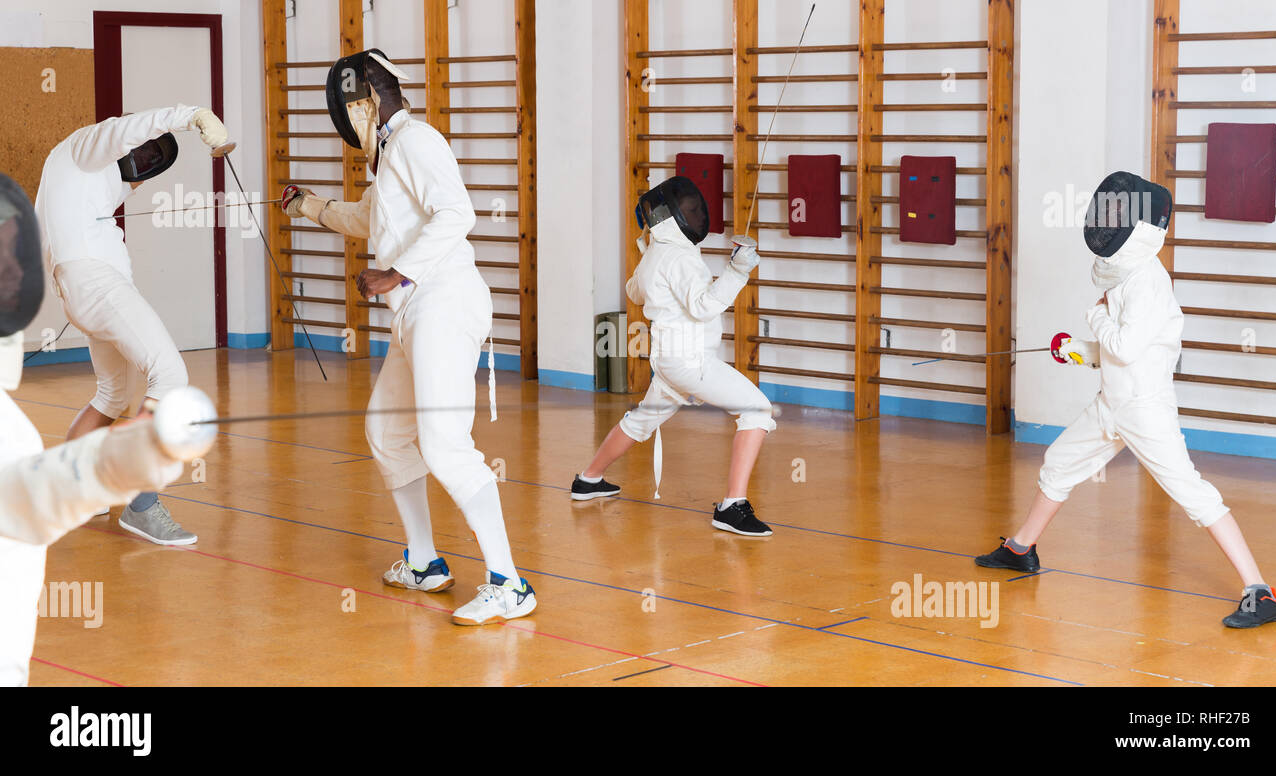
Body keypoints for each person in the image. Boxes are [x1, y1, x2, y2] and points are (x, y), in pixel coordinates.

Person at [281, 50, 534, 625]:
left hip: (443, 302)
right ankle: (424, 562)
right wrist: (309, 206)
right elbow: (369, 221)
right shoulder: (389, 156)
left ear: (368, 96)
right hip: (414, 313)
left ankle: (509, 583)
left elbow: (458, 213)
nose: (346, 118)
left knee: (444, 443)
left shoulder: (418, 141)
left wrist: (396, 272)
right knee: (388, 433)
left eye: (348, 106)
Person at [975, 171, 1276, 628]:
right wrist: (1078, 350)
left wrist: (1093, 317)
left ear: (1139, 226)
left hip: (1144, 410)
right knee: (1059, 462)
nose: (1110, 218)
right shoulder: (1124, 275)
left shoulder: (1149, 283)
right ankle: (1020, 549)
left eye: (1120, 212)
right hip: (1112, 404)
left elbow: (1123, 346)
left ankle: (1262, 593)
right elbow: (1115, 352)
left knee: (1192, 494)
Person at [1, 171, 218, 684]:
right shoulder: (9, 433)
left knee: (112, 395)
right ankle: (140, 506)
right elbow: (25, 498)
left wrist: (126, 459)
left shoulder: (11, 431)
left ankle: (136, 500)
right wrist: (121, 463)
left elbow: (27, 496)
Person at [34, 104, 230, 545]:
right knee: (171, 373)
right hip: (95, 283)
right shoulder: (87, 146)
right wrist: (193, 114)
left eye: (153, 163)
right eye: (145, 155)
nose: (145, 166)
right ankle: (141, 503)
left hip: (83, 287)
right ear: (125, 141)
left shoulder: (89, 180)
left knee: (113, 393)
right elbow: (127, 130)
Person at [570, 177, 776, 537]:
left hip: (667, 361)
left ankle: (588, 479)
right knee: (756, 410)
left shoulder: (656, 253)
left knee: (641, 421)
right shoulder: (679, 256)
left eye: (697, 208)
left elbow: (634, 291)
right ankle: (732, 506)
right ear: (672, 216)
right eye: (691, 210)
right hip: (689, 362)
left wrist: (648, 254)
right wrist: (738, 269)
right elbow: (703, 306)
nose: (697, 215)